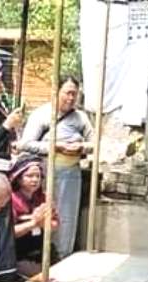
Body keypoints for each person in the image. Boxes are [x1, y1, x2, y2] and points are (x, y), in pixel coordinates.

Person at [17, 76, 93, 258]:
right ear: (56, 92)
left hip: (71, 173)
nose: (70, 98)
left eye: (74, 94)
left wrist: (81, 147)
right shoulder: (41, 115)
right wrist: (55, 146)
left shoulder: (80, 117)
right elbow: (25, 144)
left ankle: (64, 253)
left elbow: (95, 142)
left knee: (67, 217)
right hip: (46, 172)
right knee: (47, 213)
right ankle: (43, 256)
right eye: (67, 93)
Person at [9, 154, 59, 280]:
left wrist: (45, 222)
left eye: (38, 176)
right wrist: (33, 223)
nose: (35, 180)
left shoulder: (43, 198)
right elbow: (8, 233)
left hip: (41, 249)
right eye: (29, 176)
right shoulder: (11, 200)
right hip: (20, 254)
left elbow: (56, 223)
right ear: (19, 178)